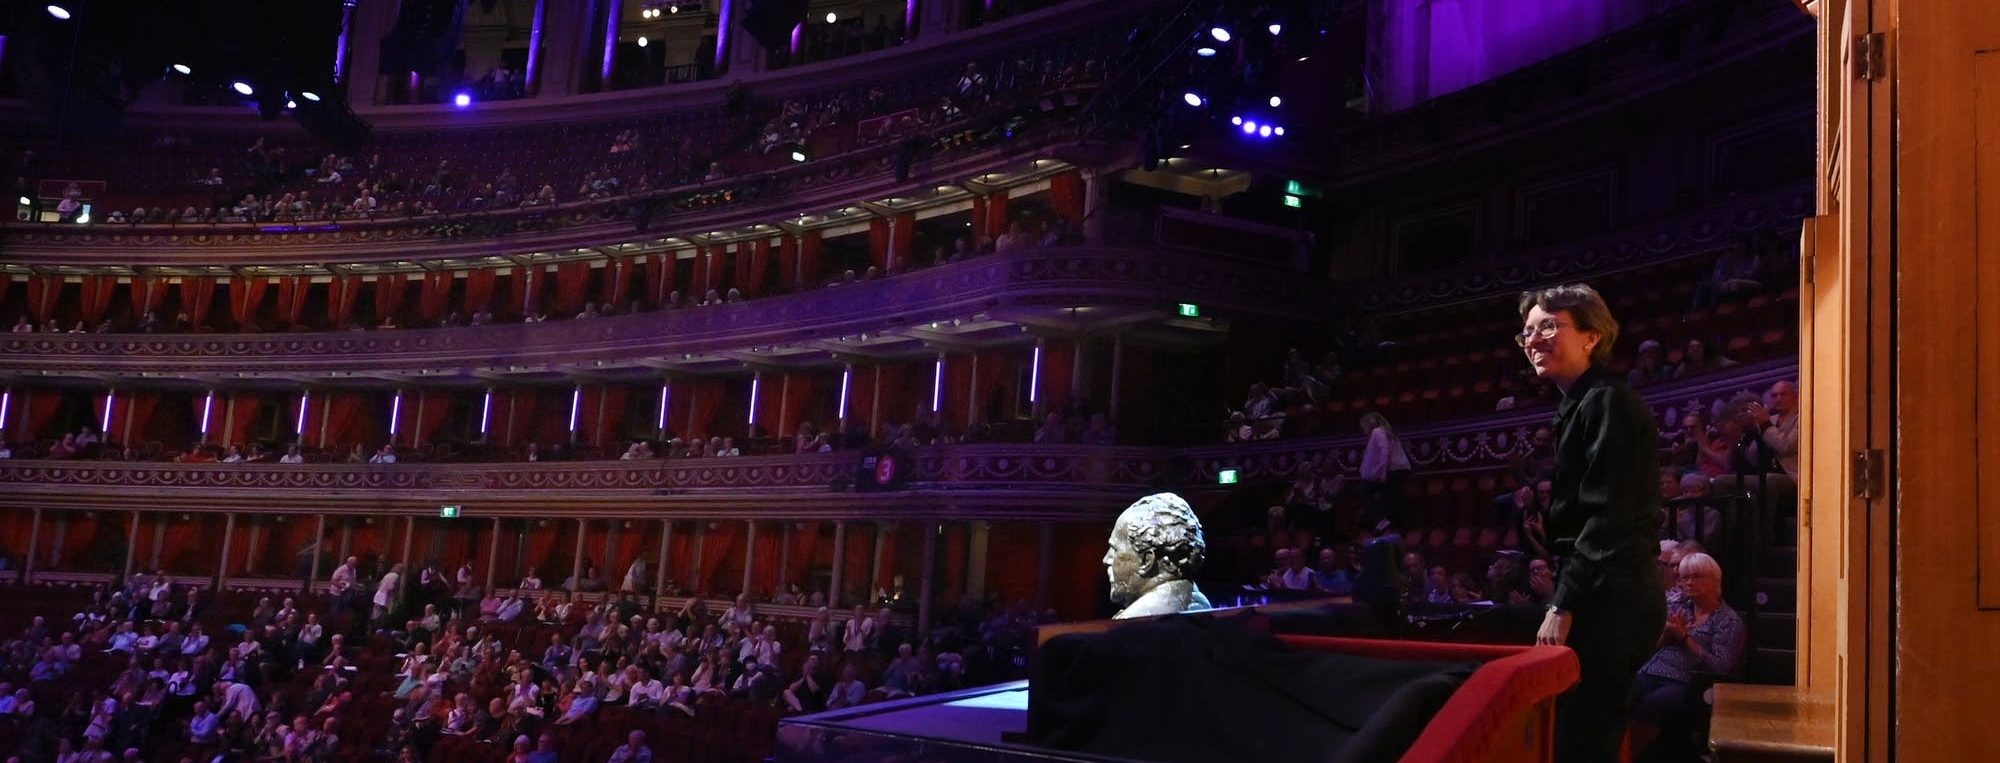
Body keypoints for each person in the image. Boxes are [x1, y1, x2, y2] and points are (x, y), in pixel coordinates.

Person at [1516, 283, 1666, 762]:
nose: (1534, 339)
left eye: (1549, 326)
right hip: (1606, 591)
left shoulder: (1606, 402)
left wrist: (1562, 603)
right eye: (1526, 332)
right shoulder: (1580, 403)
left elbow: (1607, 517)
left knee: (1585, 742)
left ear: (1591, 337)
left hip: (1614, 597)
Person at [1630, 552, 1745, 761]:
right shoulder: (1677, 608)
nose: (1689, 582)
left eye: (1697, 576)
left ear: (1715, 580)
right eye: (1684, 577)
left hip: (1688, 681)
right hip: (1650, 671)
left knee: (1652, 705)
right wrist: (1666, 635)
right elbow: (1647, 649)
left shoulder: (1728, 620)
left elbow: (1721, 665)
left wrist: (1685, 639)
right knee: (1620, 692)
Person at [1357, 412, 1411, 524]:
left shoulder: (1377, 431)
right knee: (1392, 499)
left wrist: (1382, 472)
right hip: (1400, 470)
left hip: (1391, 471)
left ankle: (1381, 520)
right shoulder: (1387, 431)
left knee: (1365, 491)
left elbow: (1385, 450)